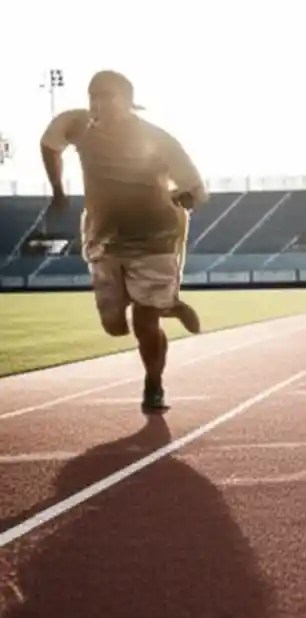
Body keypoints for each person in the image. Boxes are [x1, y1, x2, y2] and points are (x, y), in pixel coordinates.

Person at [40, 69, 206, 414]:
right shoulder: (77, 124)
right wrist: (57, 189)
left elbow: (195, 188)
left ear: (129, 101)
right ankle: (169, 305)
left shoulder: (156, 138)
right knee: (114, 325)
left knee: (144, 321)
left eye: (108, 96)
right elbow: (49, 144)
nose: (98, 103)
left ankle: (153, 384)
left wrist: (182, 198)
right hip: (104, 240)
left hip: (154, 239)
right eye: (93, 96)